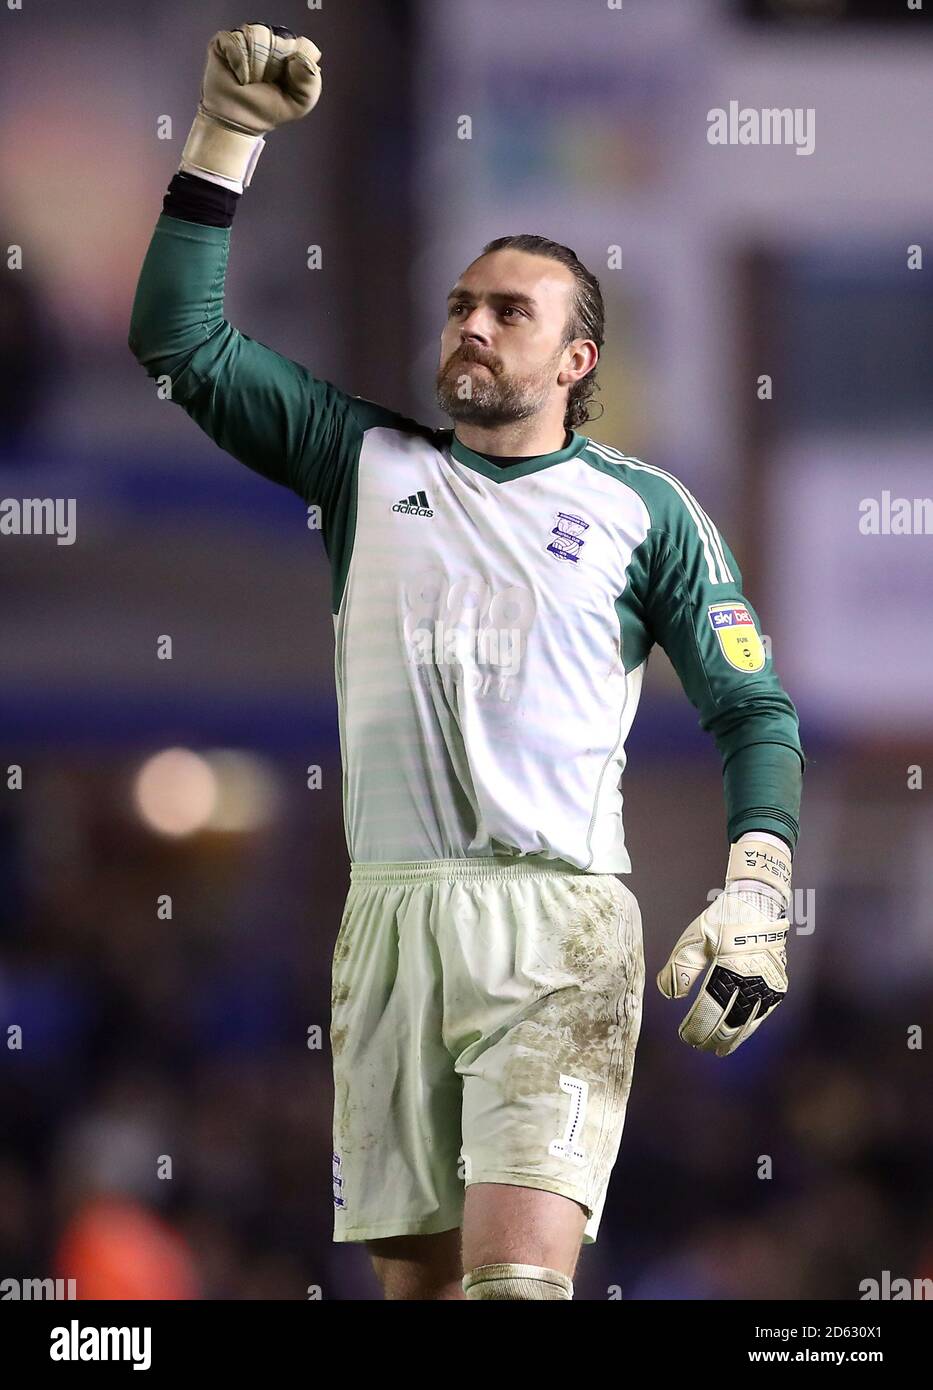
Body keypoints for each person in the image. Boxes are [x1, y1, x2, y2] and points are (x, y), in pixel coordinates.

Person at [129, 24, 804, 1301]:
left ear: (576, 360)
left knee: (517, 1284)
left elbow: (752, 706)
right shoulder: (365, 463)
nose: (474, 326)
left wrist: (759, 886)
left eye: (510, 311)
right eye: (462, 306)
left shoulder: (645, 511)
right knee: (428, 1292)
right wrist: (226, 138)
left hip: (559, 923)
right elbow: (179, 341)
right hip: (386, 915)